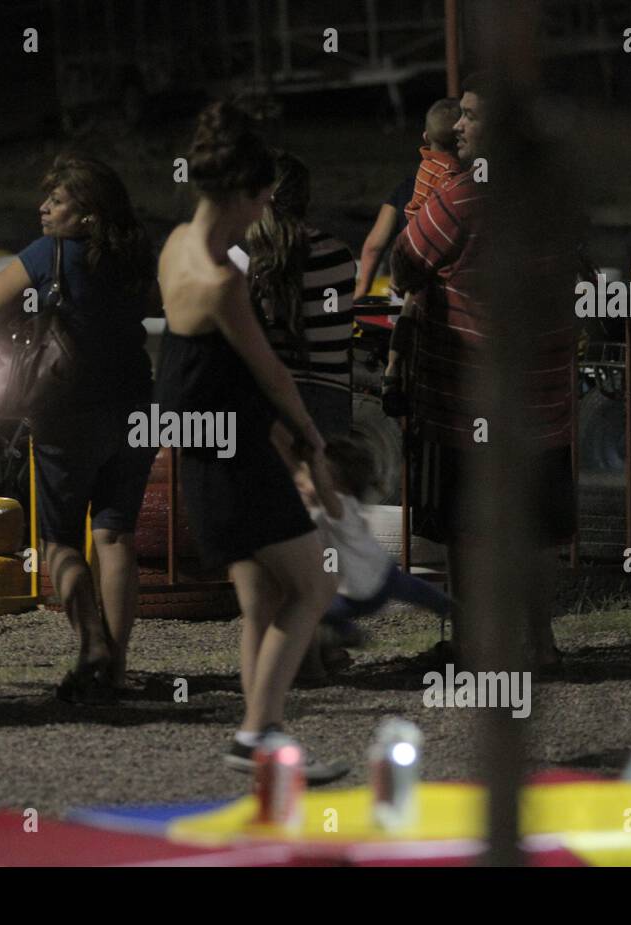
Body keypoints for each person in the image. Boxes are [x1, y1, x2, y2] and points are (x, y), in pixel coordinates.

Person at [155, 100, 347, 783]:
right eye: (263, 197)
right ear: (240, 192)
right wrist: (313, 443)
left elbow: (209, 369)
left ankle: (262, 739)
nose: (265, 211)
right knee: (317, 582)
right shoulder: (223, 284)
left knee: (260, 602)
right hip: (231, 456)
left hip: (203, 452)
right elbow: (271, 375)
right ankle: (258, 733)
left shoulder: (178, 244)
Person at [389, 74, 576, 668]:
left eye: (471, 116)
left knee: (468, 528)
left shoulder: (462, 198)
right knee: (539, 528)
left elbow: (402, 265)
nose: (460, 126)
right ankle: (541, 645)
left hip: (470, 401)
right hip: (545, 402)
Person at [0, 153, 157, 702]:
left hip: (67, 407)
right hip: (134, 402)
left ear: (89, 214)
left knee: (59, 540)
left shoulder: (50, 253)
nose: (44, 208)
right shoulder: (138, 251)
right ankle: (118, 670)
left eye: (57, 201)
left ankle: (91, 647)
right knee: (116, 535)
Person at [295, 433, 453, 647]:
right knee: (422, 594)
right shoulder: (333, 507)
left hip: (362, 590)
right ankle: (450, 608)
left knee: (313, 610)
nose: (299, 483)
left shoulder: (338, 507)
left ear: (333, 483)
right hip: (383, 573)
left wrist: (313, 460)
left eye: (306, 478)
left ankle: (349, 633)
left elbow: (323, 491)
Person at [246, 150, 356, 439]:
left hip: (270, 404)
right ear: (305, 199)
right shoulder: (340, 256)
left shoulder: (248, 259)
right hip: (332, 403)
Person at [353, 97, 462, 304]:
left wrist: (363, 287)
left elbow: (374, 245)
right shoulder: (462, 185)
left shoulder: (408, 187)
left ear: (425, 137)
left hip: (408, 285)